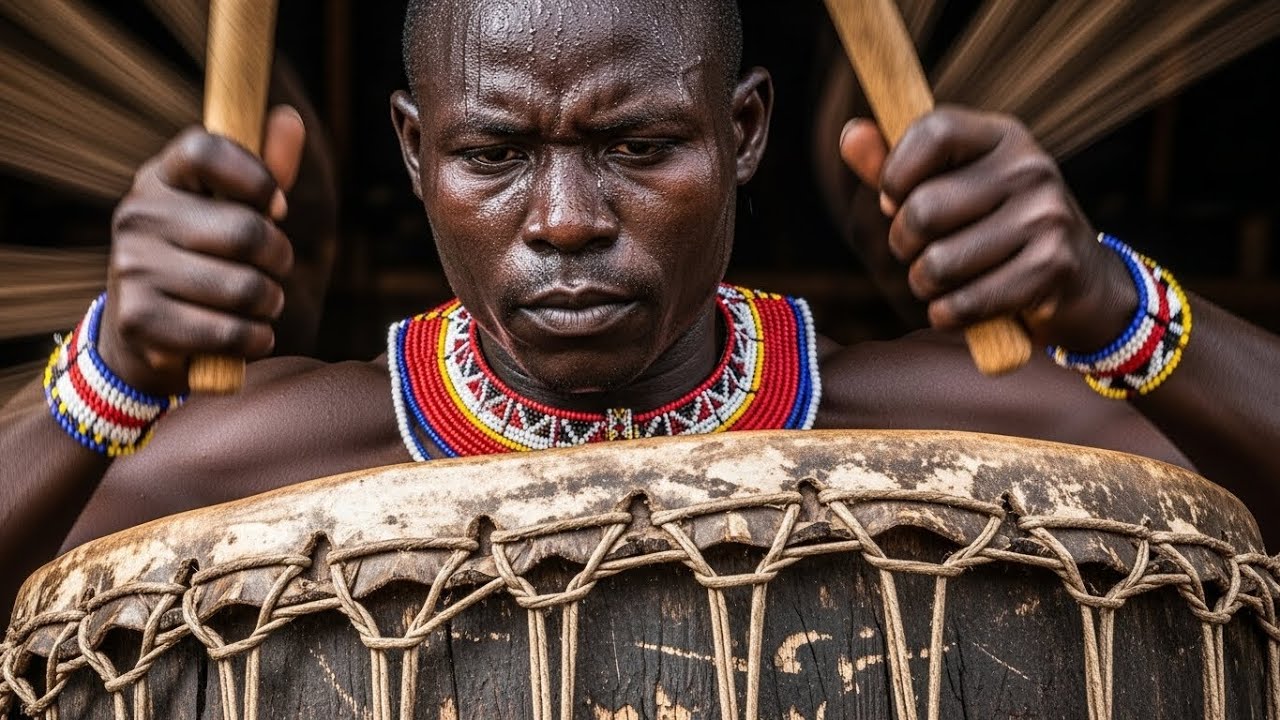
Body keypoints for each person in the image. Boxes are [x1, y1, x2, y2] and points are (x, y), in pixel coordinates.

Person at [2, 0, 1278, 622]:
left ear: (743, 133)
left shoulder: (972, 444)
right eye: (492, 153)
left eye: (635, 145)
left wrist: (1108, 302)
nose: (562, 217)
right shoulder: (252, 469)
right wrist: (111, 364)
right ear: (411, 149)